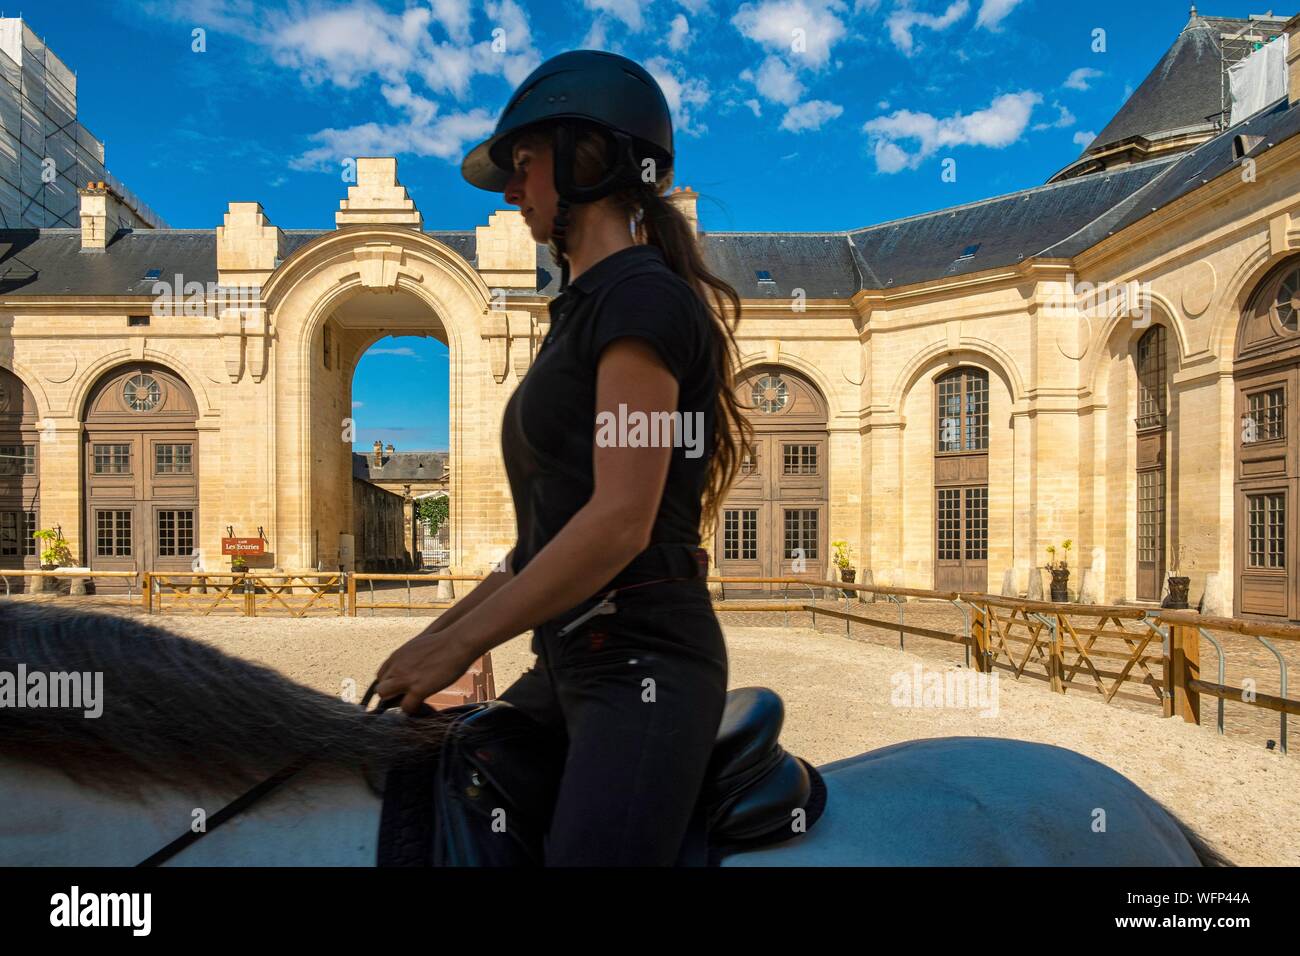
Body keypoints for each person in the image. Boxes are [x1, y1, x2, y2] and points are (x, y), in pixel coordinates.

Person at [372, 50, 754, 866]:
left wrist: (455, 650)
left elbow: (619, 521)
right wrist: (432, 640)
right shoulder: (580, 318)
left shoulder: (641, 301)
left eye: (523, 163)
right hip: (566, 666)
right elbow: (535, 554)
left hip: (642, 665)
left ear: (589, 159)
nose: (512, 188)